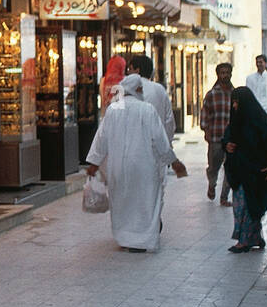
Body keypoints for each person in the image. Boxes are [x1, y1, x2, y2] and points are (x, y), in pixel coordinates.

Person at [85, 74, 187, 252]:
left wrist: (93, 163)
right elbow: (160, 140)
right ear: (136, 89)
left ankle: (125, 237)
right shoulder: (147, 110)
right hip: (143, 166)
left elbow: (101, 139)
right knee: (143, 202)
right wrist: (174, 161)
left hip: (117, 167)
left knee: (122, 202)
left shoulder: (113, 110)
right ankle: (140, 240)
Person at [221, 87, 267, 252]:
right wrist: (227, 145)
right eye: (233, 102)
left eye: (237, 102)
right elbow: (227, 139)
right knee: (240, 207)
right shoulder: (236, 122)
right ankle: (254, 237)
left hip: (256, 173)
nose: (234, 106)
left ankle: (244, 241)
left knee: (251, 206)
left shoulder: (260, 122)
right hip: (240, 172)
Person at [200, 63, 236, 205]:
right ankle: (212, 184)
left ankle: (224, 197)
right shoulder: (211, 94)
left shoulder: (235, 94)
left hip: (232, 139)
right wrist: (206, 130)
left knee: (230, 168)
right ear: (218, 75)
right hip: (215, 137)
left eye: (227, 72)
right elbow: (204, 114)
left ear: (231, 74)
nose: (225, 75)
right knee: (213, 167)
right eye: (222, 73)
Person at [126, 54, 176, 139]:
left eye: (130, 69)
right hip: (158, 144)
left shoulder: (128, 90)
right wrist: (166, 144)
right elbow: (169, 121)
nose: (128, 72)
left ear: (137, 71)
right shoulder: (160, 90)